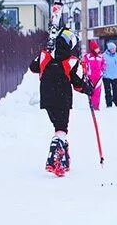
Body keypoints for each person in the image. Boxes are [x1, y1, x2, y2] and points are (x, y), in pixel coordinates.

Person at [29, 29, 93, 176]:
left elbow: (33, 67)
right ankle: (55, 154)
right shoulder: (71, 60)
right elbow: (77, 83)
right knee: (62, 128)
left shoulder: (45, 55)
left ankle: (63, 155)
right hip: (63, 97)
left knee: (57, 125)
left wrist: (45, 54)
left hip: (46, 97)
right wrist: (87, 89)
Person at [82, 40, 105, 110]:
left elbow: (104, 64)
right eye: (96, 48)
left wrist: (102, 69)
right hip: (90, 76)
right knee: (91, 91)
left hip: (98, 76)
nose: (98, 50)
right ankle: (92, 105)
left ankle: (96, 106)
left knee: (98, 91)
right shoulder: (87, 56)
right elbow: (84, 64)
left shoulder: (100, 56)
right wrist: (85, 72)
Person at [102, 42, 117, 107]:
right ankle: (109, 103)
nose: (114, 50)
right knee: (107, 91)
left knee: (116, 90)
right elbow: (101, 65)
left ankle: (116, 101)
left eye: (114, 48)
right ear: (109, 49)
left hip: (115, 76)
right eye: (112, 48)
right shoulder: (103, 56)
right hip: (106, 76)